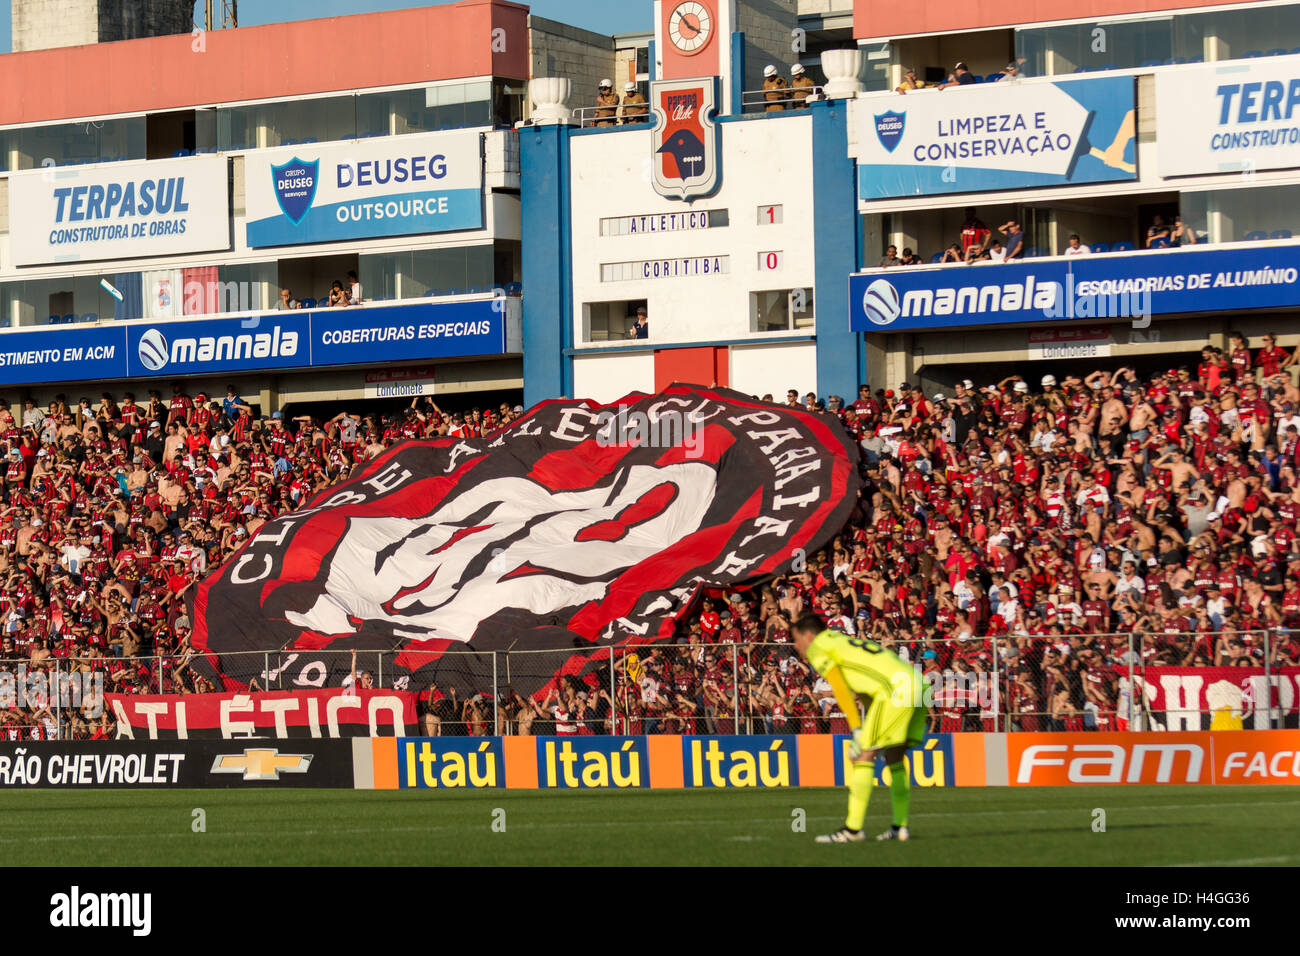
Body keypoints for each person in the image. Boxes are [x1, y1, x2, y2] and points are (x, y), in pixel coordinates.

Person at [791, 615, 924, 843]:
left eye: (796, 639)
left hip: (894, 691)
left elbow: (840, 687)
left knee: (863, 756)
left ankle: (853, 830)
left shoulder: (819, 646)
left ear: (809, 636)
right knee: (894, 757)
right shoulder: (840, 641)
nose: (795, 646)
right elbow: (864, 689)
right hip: (918, 685)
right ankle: (900, 827)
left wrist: (856, 729)